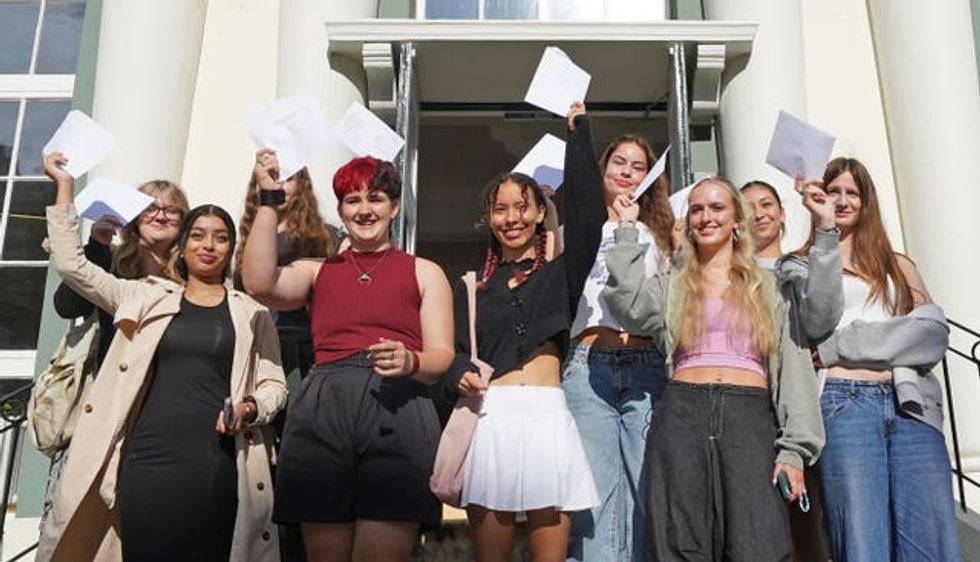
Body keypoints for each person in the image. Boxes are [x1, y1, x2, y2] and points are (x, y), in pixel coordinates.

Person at [37, 152, 287, 562]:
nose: (209, 245)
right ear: (183, 246)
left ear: (231, 247)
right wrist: (64, 185)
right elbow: (72, 266)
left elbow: (274, 384)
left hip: (218, 464)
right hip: (146, 463)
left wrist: (252, 406)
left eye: (221, 237)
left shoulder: (251, 311)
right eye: (198, 235)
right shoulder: (144, 295)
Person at [241, 152, 454, 561]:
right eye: (352, 200)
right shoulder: (317, 270)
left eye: (375, 198)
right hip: (325, 409)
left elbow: (442, 354)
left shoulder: (424, 271)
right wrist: (268, 200)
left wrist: (412, 361)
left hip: (399, 409)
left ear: (393, 207)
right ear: (340, 210)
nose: (364, 209)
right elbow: (259, 282)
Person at [603, 177, 825, 561]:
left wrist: (795, 449)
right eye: (697, 209)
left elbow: (794, 367)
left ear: (738, 219)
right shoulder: (673, 282)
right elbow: (629, 305)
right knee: (679, 540)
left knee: (758, 543)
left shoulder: (770, 286)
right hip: (682, 414)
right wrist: (625, 229)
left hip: (748, 417)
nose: (706, 217)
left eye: (717, 208)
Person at [445, 103, 603, 562]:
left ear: (539, 213)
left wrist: (578, 135)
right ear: (489, 219)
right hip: (492, 420)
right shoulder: (475, 286)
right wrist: (458, 371)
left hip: (547, 418)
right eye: (500, 209)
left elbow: (590, 216)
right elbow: (455, 352)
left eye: (521, 207)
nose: (511, 217)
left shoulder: (561, 274)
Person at [800, 158, 959, 561]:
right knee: (861, 543)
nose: (842, 199)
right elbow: (817, 320)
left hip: (911, 406)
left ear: (866, 201)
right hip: (843, 404)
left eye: (852, 192)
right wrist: (825, 234)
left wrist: (843, 344)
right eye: (833, 191)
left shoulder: (897, 264)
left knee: (930, 543)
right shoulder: (804, 262)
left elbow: (931, 335)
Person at [560, 104, 674, 562]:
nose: (627, 172)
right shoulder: (574, 229)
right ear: (601, 168)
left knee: (646, 484)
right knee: (594, 492)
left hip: (646, 365)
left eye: (638, 166)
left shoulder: (665, 234)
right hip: (589, 364)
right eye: (618, 162)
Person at [742, 178, 841, 562]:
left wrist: (824, 226)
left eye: (767, 204)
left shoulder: (799, 268)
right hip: (749, 410)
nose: (759, 213)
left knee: (805, 526)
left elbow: (822, 318)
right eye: (747, 206)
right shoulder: (726, 275)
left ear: (782, 213)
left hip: (801, 409)